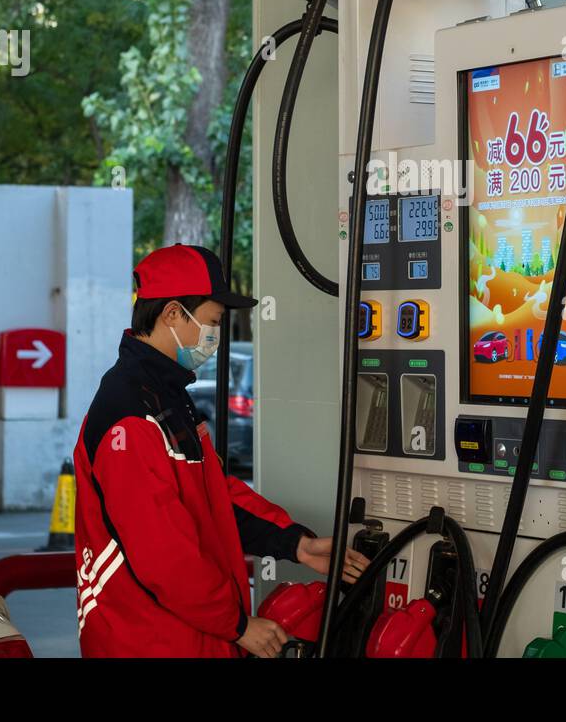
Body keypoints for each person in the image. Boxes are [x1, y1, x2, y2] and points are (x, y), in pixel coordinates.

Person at [73, 243, 367, 657]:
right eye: (213, 321)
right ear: (173, 313)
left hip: (184, 635)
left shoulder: (165, 396)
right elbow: (163, 556)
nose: (216, 334)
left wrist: (293, 543)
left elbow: (210, 496)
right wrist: (237, 625)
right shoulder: (131, 415)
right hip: (146, 640)